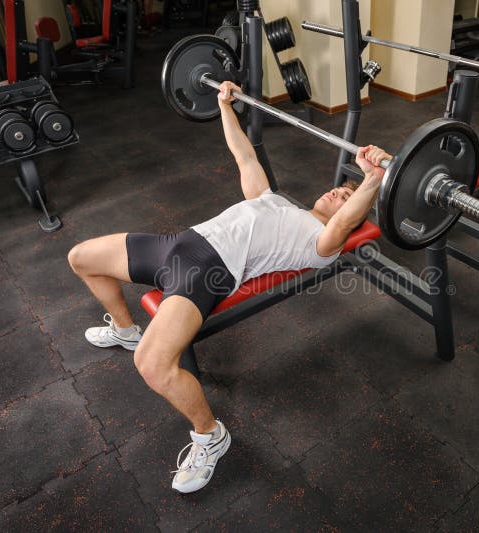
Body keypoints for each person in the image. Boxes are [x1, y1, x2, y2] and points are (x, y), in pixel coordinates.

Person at [67, 80, 390, 494]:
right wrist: (225, 105)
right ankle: (126, 331)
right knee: (81, 258)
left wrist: (371, 180)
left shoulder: (319, 244)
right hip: (176, 244)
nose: (336, 192)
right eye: (339, 188)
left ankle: (210, 435)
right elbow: (243, 154)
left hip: (205, 271)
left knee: (152, 365)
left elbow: (345, 224)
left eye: (345, 196)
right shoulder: (271, 200)